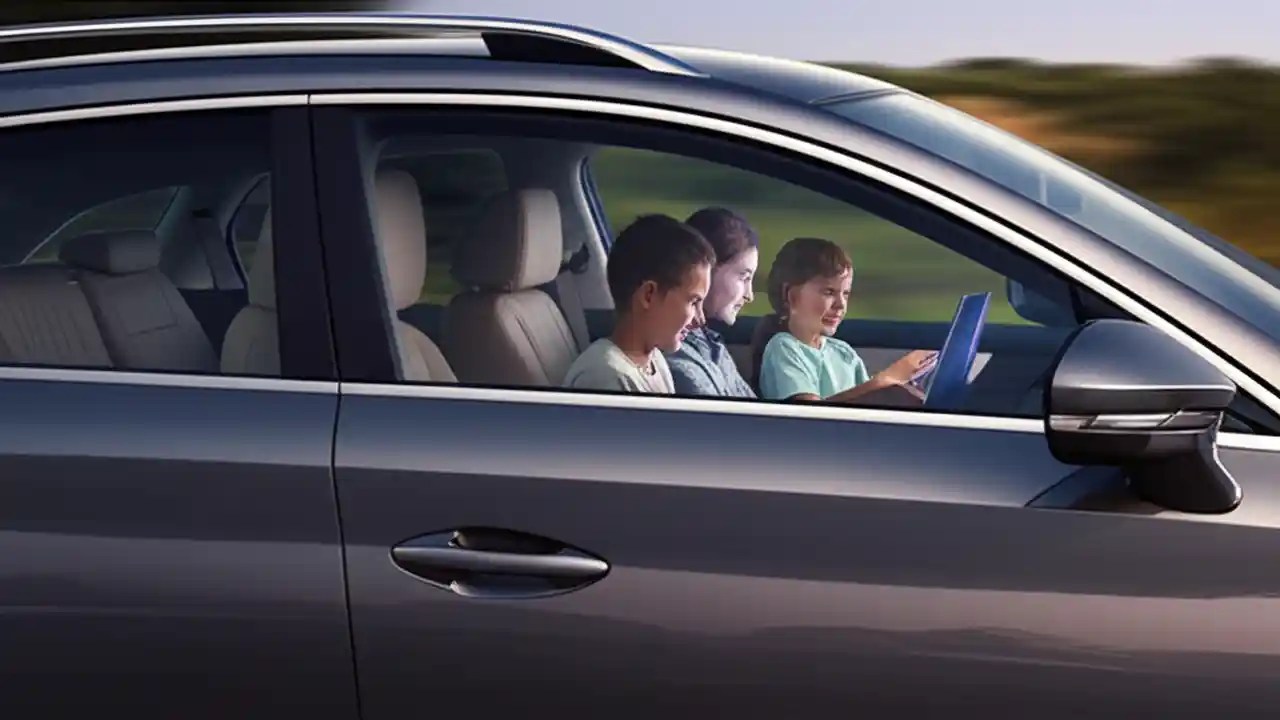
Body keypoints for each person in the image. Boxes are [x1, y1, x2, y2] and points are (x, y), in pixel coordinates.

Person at [752, 236, 934, 403]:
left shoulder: (844, 353)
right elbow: (809, 419)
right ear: (791, 296)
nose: (840, 305)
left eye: (845, 294)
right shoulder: (783, 348)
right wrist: (884, 380)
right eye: (829, 292)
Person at [563, 214, 714, 394]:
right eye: (693, 302)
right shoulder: (605, 377)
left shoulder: (654, 359)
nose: (701, 320)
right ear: (648, 295)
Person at [666, 207, 759, 398]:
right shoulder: (676, 355)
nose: (750, 295)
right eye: (743, 277)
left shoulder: (710, 345)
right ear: (706, 270)